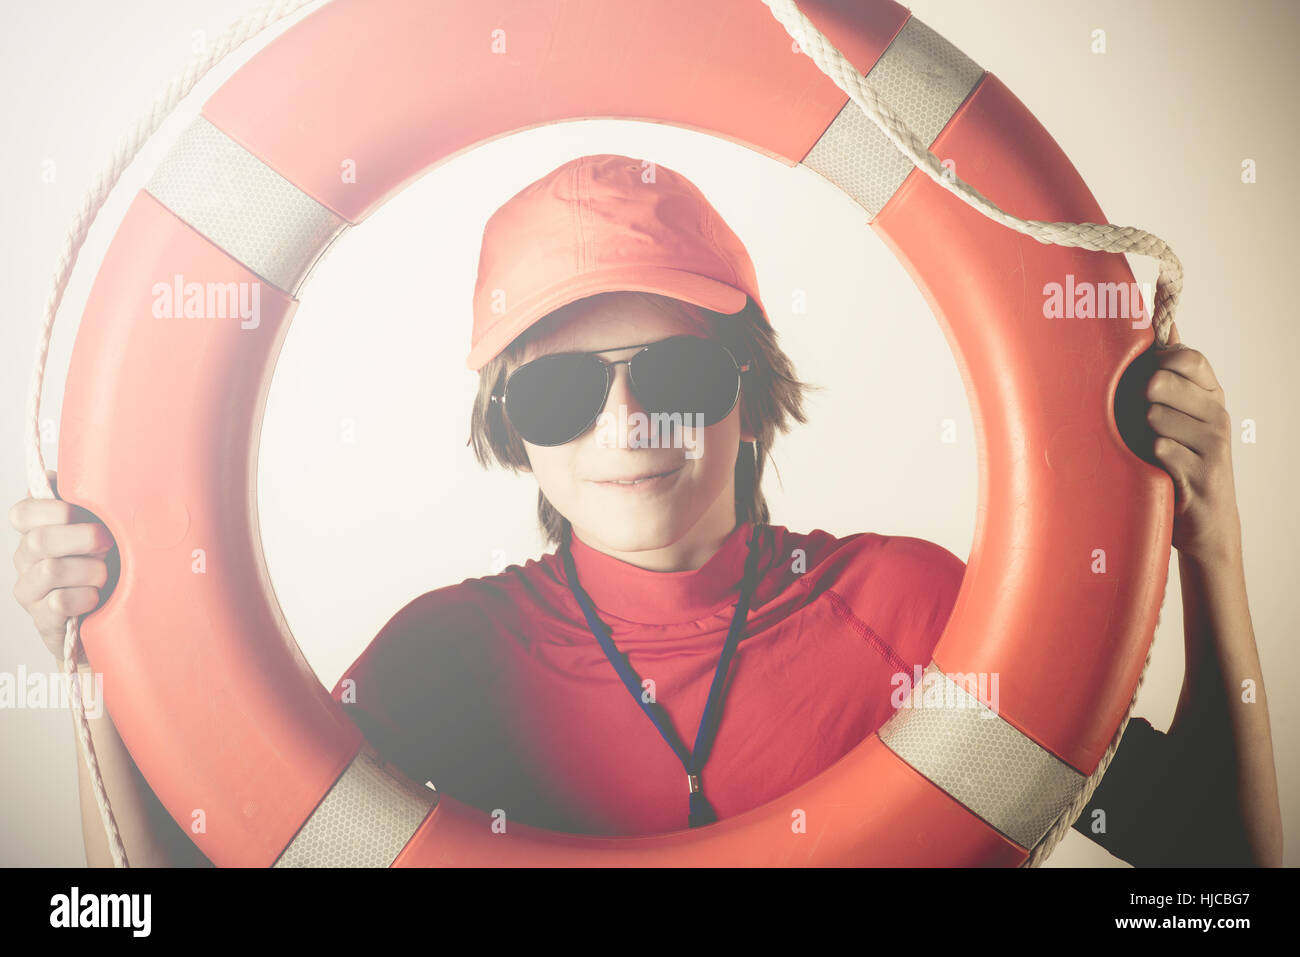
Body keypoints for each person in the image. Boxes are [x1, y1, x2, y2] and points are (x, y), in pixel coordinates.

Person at [9, 154, 1282, 867]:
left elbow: (1222, 889)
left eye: (670, 375)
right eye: (563, 390)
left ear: (748, 391)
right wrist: (102, 669)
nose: (629, 428)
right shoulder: (441, 666)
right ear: (512, 427)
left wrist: (1212, 548)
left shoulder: (921, 613)